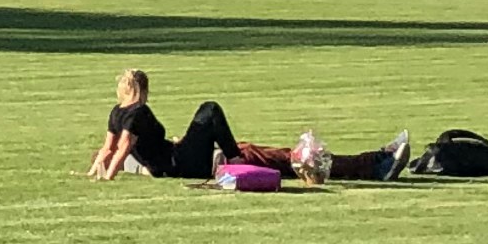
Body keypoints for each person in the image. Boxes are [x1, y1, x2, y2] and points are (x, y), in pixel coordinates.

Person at [90, 69, 410, 183]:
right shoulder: (134, 122)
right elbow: (121, 152)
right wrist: (106, 173)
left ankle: (371, 162)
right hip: (209, 161)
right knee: (292, 158)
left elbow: (117, 152)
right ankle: (374, 164)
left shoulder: (122, 123)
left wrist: (99, 171)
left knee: (287, 159)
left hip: (196, 157)